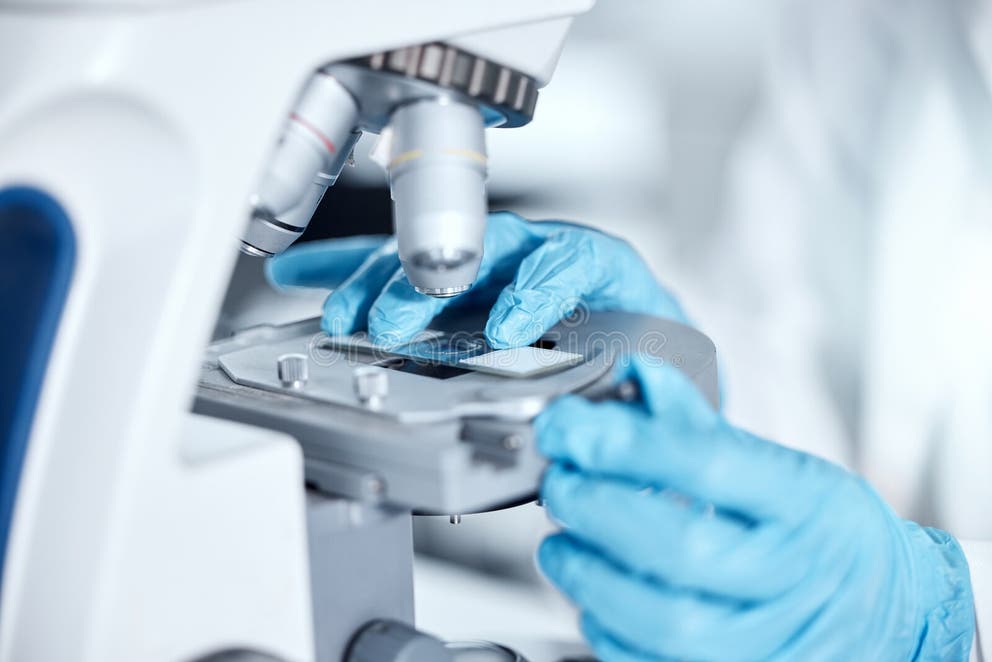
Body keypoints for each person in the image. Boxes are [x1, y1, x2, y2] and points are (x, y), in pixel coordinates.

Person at [267, 1, 992, 658]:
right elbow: (799, 353)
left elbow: (876, 575)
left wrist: (952, 612)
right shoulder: (873, 17)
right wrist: (679, 370)